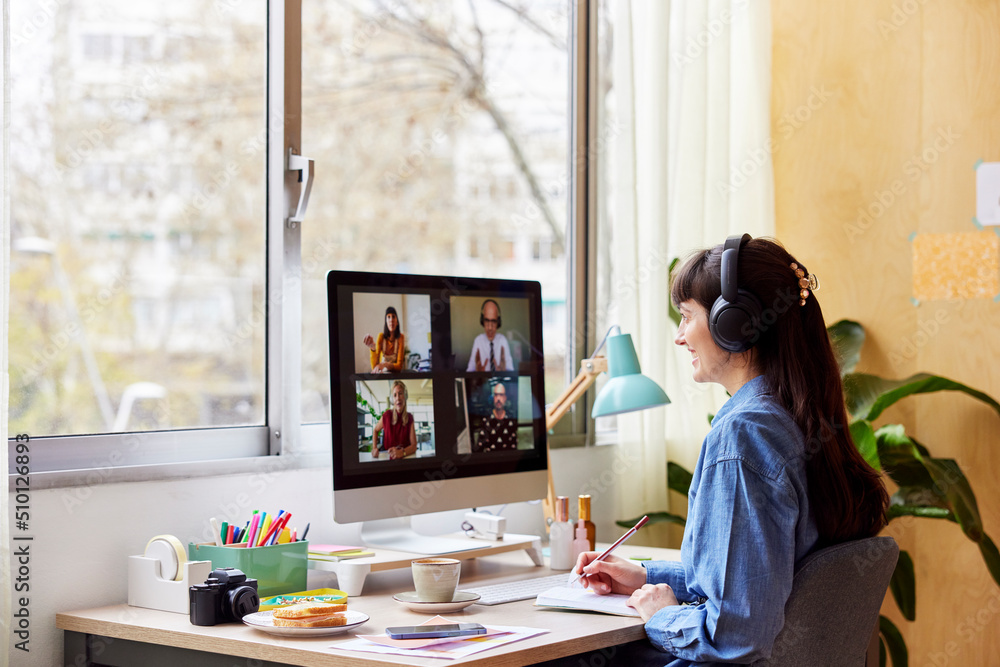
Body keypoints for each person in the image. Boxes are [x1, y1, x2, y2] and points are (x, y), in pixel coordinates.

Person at [568, 235, 888, 666]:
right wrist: (647, 577)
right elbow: (763, 581)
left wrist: (662, 616)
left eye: (686, 317)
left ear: (733, 325)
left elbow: (734, 638)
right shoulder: (798, 418)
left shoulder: (744, 435)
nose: (680, 338)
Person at [371, 380, 417, 460]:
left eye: (400, 393)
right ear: (393, 399)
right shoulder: (387, 415)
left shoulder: (410, 417)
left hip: (404, 458)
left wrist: (402, 452)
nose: (398, 398)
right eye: (395, 395)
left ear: (405, 396)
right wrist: (374, 447)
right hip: (387, 457)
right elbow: (375, 430)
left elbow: (414, 445)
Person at [467, 299, 514, 371]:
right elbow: (469, 370)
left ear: (498, 322)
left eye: (494, 321)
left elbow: (511, 371)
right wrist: (477, 374)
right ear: (482, 321)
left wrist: (503, 373)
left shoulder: (502, 340)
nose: (490, 328)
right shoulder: (478, 340)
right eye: (486, 321)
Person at [474, 382, 518, 451]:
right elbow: (480, 447)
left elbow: (514, 445)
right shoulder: (486, 419)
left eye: (501, 395)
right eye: (496, 395)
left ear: (505, 398)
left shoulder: (510, 419)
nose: (498, 399)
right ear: (493, 398)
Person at [363, 306, 406, 373]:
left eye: (393, 317)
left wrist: (384, 364)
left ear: (397, 322)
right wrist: (372, 347)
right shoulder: (381, 337)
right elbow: (374, 367)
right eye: (388, 317)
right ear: (386, 322)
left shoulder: (401, 337)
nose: (391, 320)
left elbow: (399, 367)